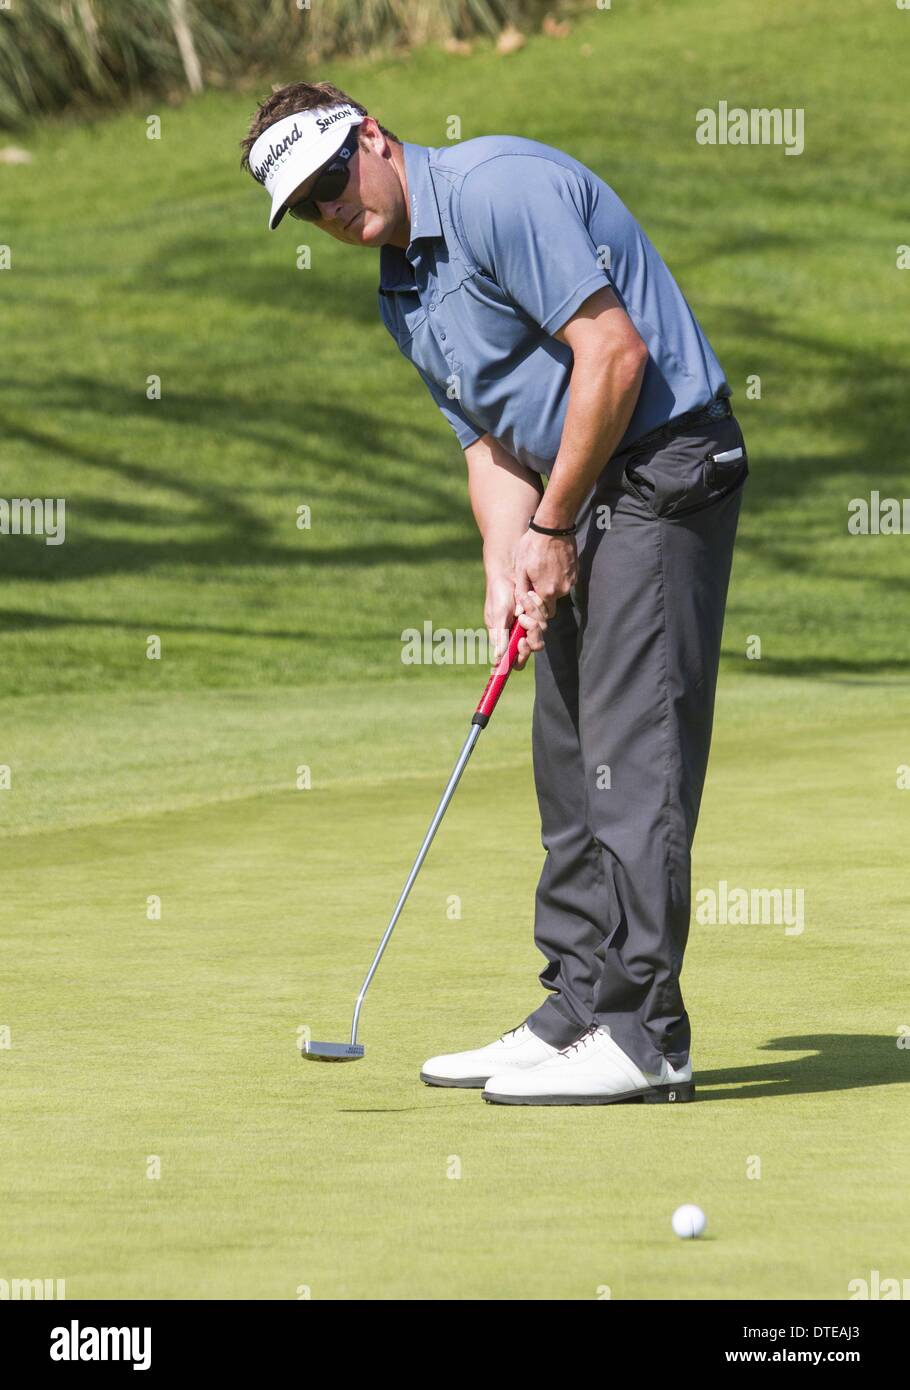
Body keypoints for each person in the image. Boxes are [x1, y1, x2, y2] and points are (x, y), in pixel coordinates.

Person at [240, 81, 748, 1106]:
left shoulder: (496, 190)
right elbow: (487, 442)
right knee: (567, 755)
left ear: (373, 136)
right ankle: (575, 1009)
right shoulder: (402, 288)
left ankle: (646, 1033)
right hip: (576, 481)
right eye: (308, 206)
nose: (333, 208)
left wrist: (553, 527)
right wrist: (507, 561)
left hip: (661, 465)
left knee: (628, 752)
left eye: (335, 177)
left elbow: (613, 356)